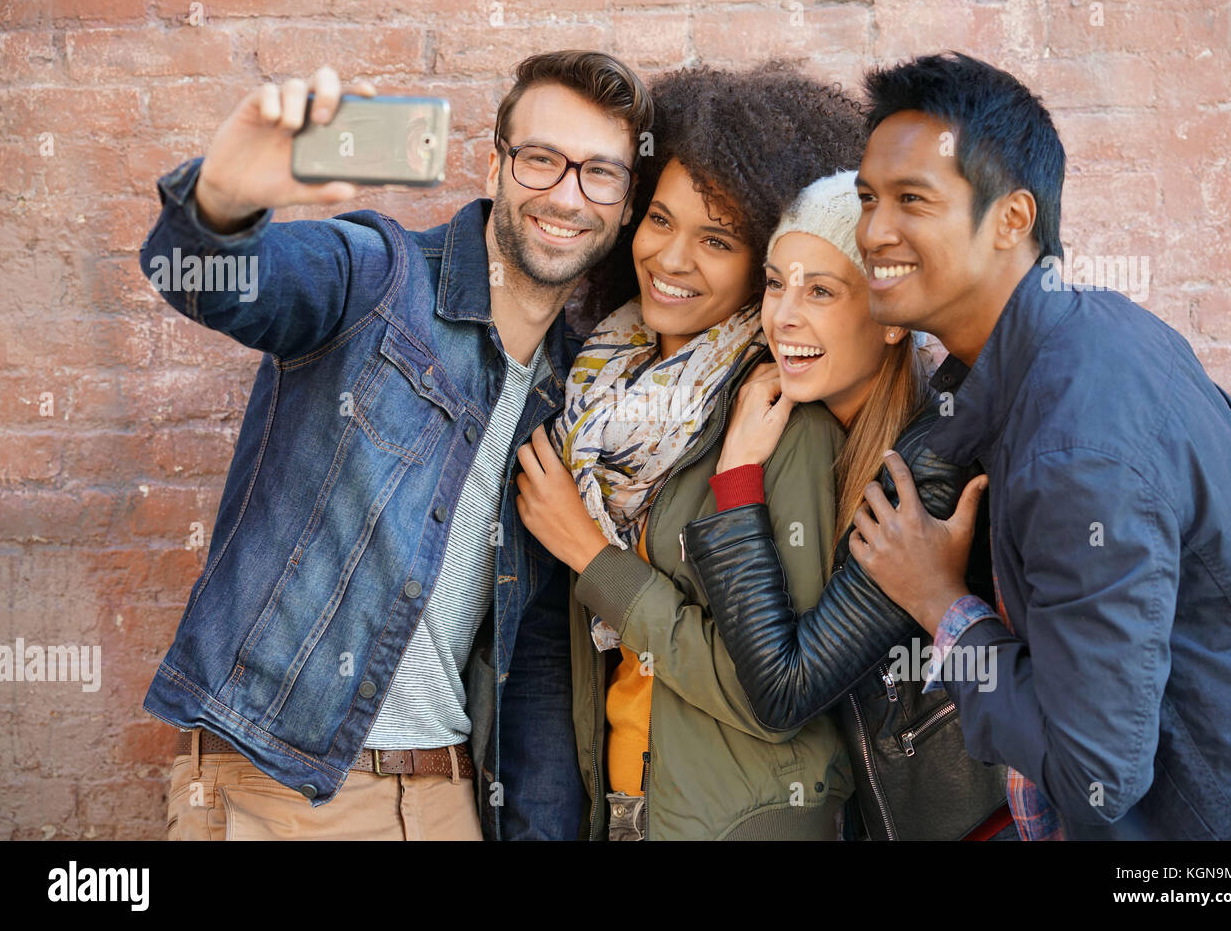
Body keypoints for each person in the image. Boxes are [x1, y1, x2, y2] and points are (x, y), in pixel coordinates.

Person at [139, 51, 651, 840]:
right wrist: (225, 202)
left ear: (623, 207)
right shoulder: (378, 277)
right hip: (280, 793)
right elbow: (217, 280)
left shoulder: (570, 400)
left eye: (600, 174)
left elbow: (538, 661)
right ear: (496, 164)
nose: (566, 194)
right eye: (542, 160)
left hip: (447, 799)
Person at [843, 51, 1231, 839]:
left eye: (912, 199)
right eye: (868, 197)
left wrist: (938, 601)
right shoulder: (1094, 331)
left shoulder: (1074, 443)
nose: (874, 231)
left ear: (1012, 218)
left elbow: (1097, 774)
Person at [513, 65, 868, 840]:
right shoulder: (596, 392)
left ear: (764, 263)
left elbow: (774, 693)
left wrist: (587, 551)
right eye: (661, 220)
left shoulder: (780, 422)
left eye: (716, 238)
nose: (672, 259)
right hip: (630, 809)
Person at [681, 169, 1013, 840]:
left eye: (822, 290)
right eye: (776, 283)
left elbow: (784, 688)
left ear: (891, 317)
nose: (784, 316)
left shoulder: (924, 473)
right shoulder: (836, 438)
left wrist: (738, 475)